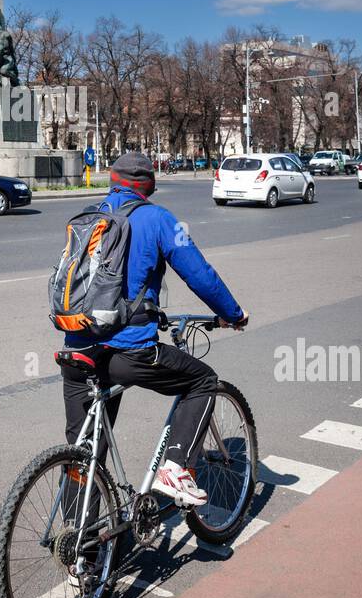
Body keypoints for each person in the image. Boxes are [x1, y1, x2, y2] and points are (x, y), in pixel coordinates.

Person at [60, 151, 248, 509]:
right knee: (202, 380)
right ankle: (175, 468)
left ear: (113, 181)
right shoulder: (157, 218)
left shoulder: (88, 218)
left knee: (83, 451)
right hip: (127, 352)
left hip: (76, 351)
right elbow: (200, 275)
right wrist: (233, 313)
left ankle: (77, 550)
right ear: (148, 186)